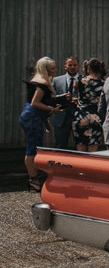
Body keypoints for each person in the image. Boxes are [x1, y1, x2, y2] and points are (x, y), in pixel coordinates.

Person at [20, 57, 62, 190]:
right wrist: (52, 110)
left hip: (32, 117)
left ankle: (34, 178)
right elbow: (36, 103)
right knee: (32, 149)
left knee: (34, 147)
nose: (55, 70)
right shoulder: (43, 82)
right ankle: (33, 180)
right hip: (33, 117)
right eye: (52, 68)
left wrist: (46, 121)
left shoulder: (36, 79)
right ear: (45, 69)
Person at [73, 58, 107, 152]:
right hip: (96, 116)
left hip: (81, 115)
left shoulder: (80, 81)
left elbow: (74, 90)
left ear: (88, 68)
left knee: (80, 145)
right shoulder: (103, 83)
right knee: (93, 146)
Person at [50, 56, 81, 150]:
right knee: (60, 146)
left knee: (80, 146)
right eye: (70, 65)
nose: (72, 67)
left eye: (75, 65)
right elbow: (50, 98)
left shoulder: (84, 80)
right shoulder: (56, 80)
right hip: (61, 118)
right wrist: (61, 98)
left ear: (79, 66)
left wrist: (79, 100)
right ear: (65, 66)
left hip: (79, 117)